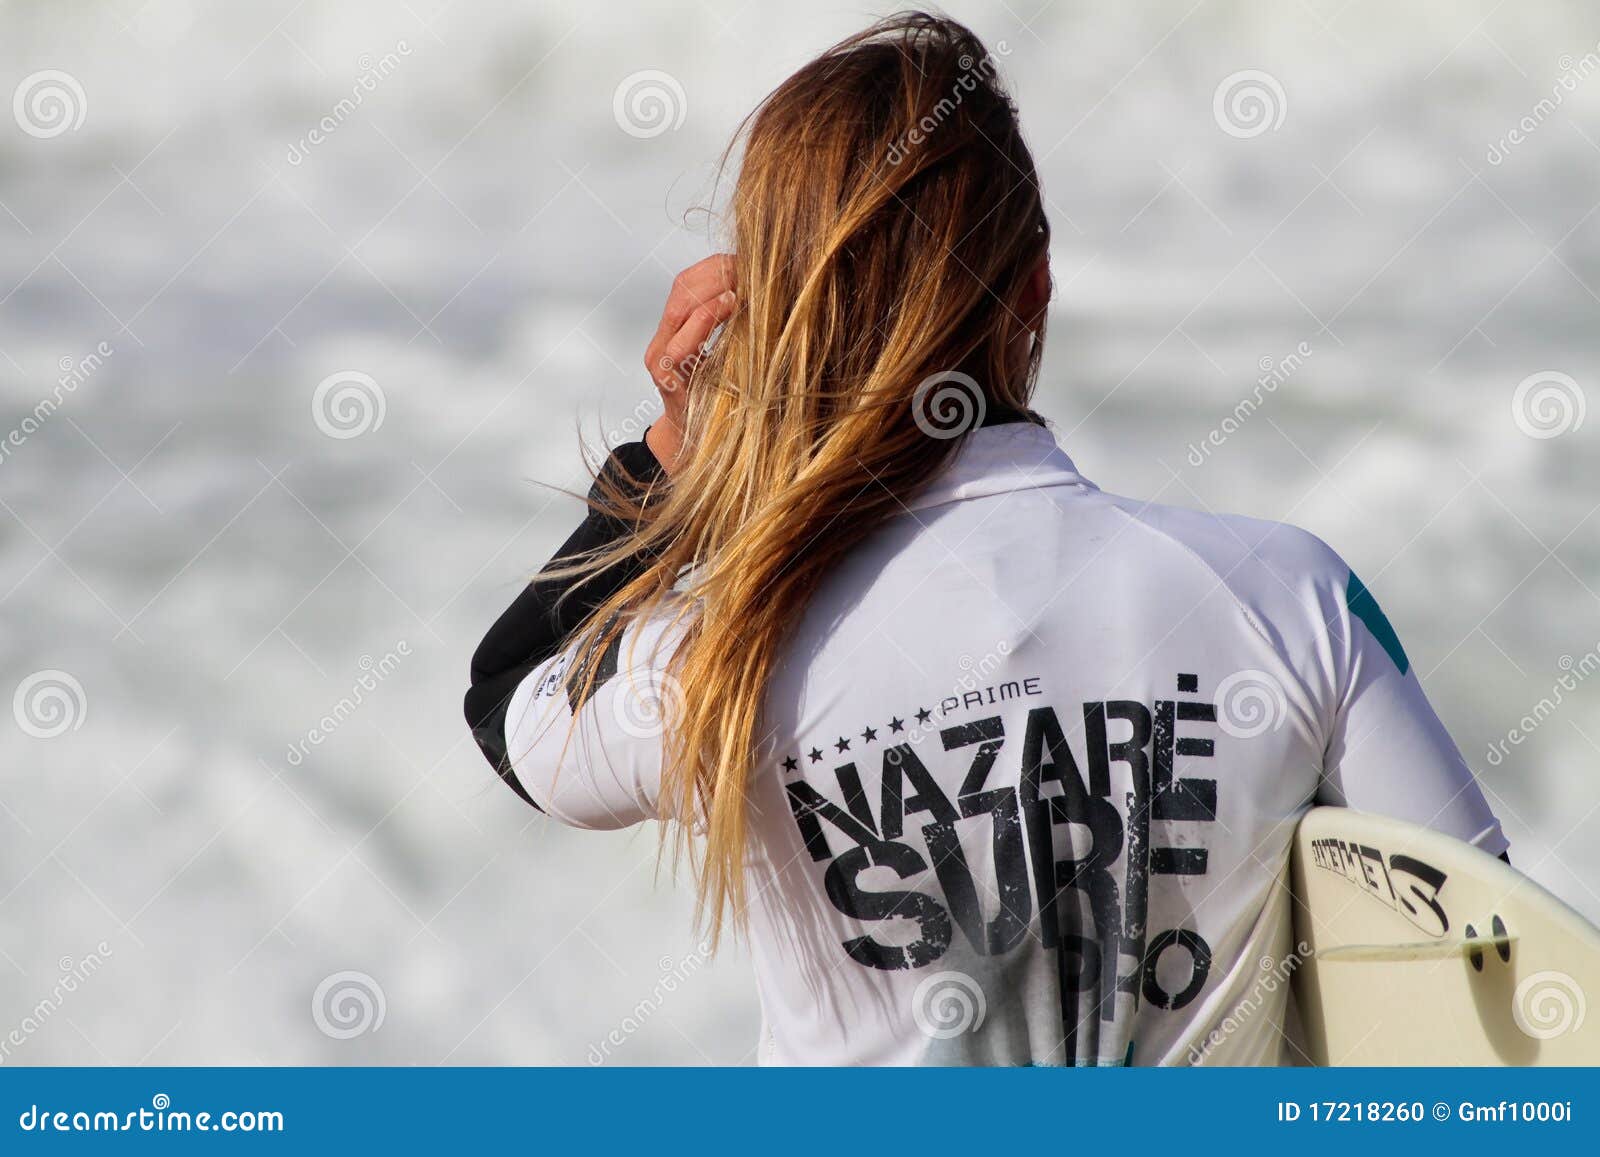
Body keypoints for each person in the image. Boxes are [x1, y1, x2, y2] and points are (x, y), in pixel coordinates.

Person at [463, 12, 1506, 1066]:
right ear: (1036, 286)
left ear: (767, 318)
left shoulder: (723, 657)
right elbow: (1487, 965)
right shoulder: (1283, 594)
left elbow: (510, 698)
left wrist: (674, 463)